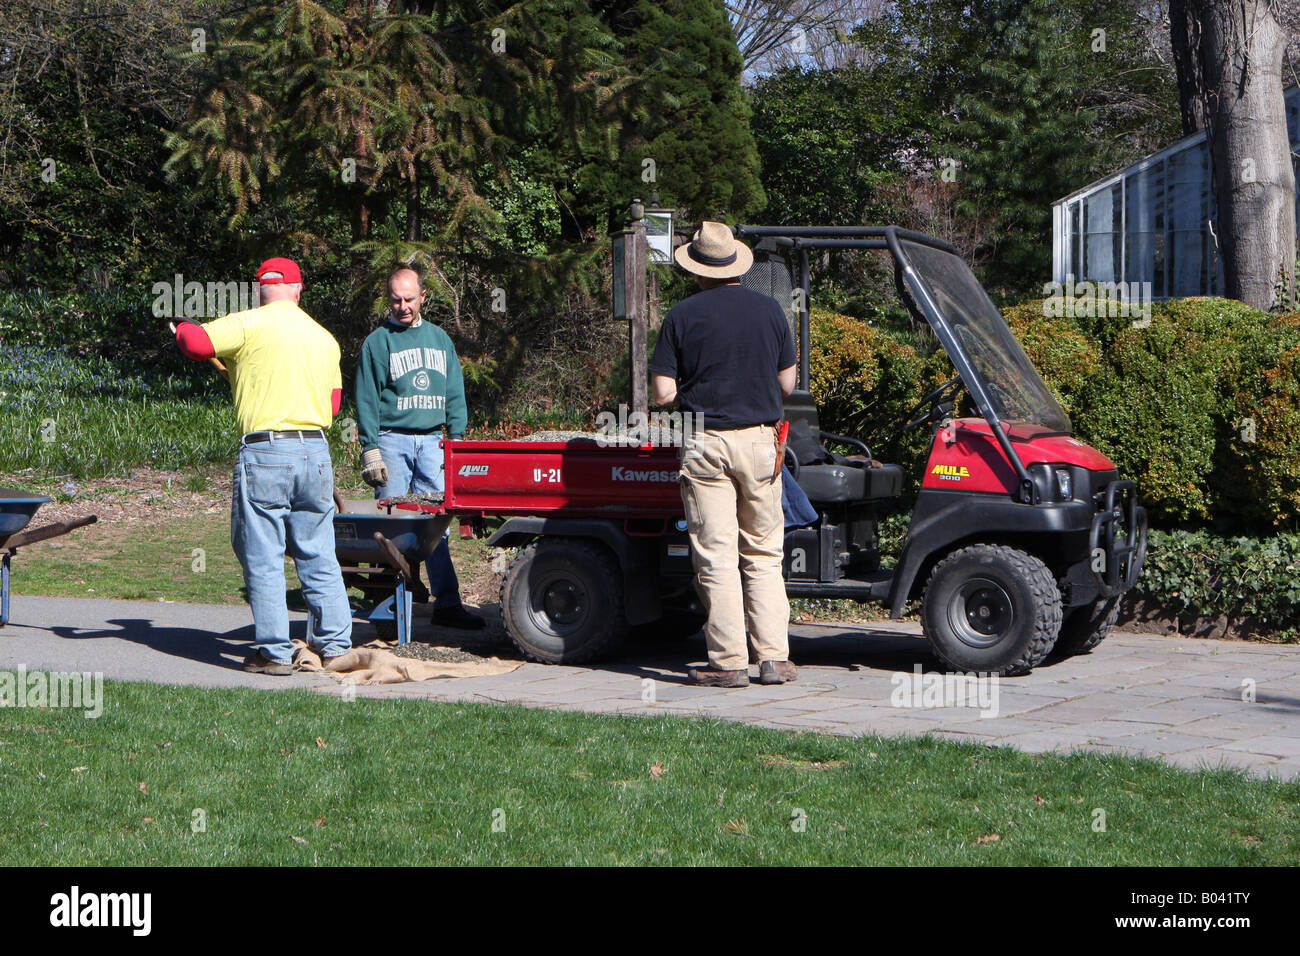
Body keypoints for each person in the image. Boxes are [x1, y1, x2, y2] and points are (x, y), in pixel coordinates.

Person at [173, 257, 353, 675]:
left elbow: (197, 344)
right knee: (318, 552)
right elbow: (332, 404)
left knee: (264, 554)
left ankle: (273, 653)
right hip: (316, 451)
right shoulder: (324, 338)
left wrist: (182, 326)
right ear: (298, 289)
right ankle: (336, 645)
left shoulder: (248, 323)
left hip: (266, 451)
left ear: (260, 290)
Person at [649, 221, 798, 687]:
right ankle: (774, 658)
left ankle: (729, 663)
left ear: (697, 270)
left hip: (706, 440)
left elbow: (663, 393)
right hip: (760, 442)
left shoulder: (681, 316)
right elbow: (787, 384)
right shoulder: (771, 310)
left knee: (716, 555)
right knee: (764, 553)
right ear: (735, 264)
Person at [354, 266, 484, 630]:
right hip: (392, 440)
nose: (402, 306)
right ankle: (391, 604)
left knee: (436, 527)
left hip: (433, 441)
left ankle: (447, 604)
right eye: (395, 299)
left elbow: (455, 392)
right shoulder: (377, 343)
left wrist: (456, 442)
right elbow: (365, 398)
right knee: (390, 527)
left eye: (409, 299)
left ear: (423, 296)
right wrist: (370, 448)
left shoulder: (440, 340)